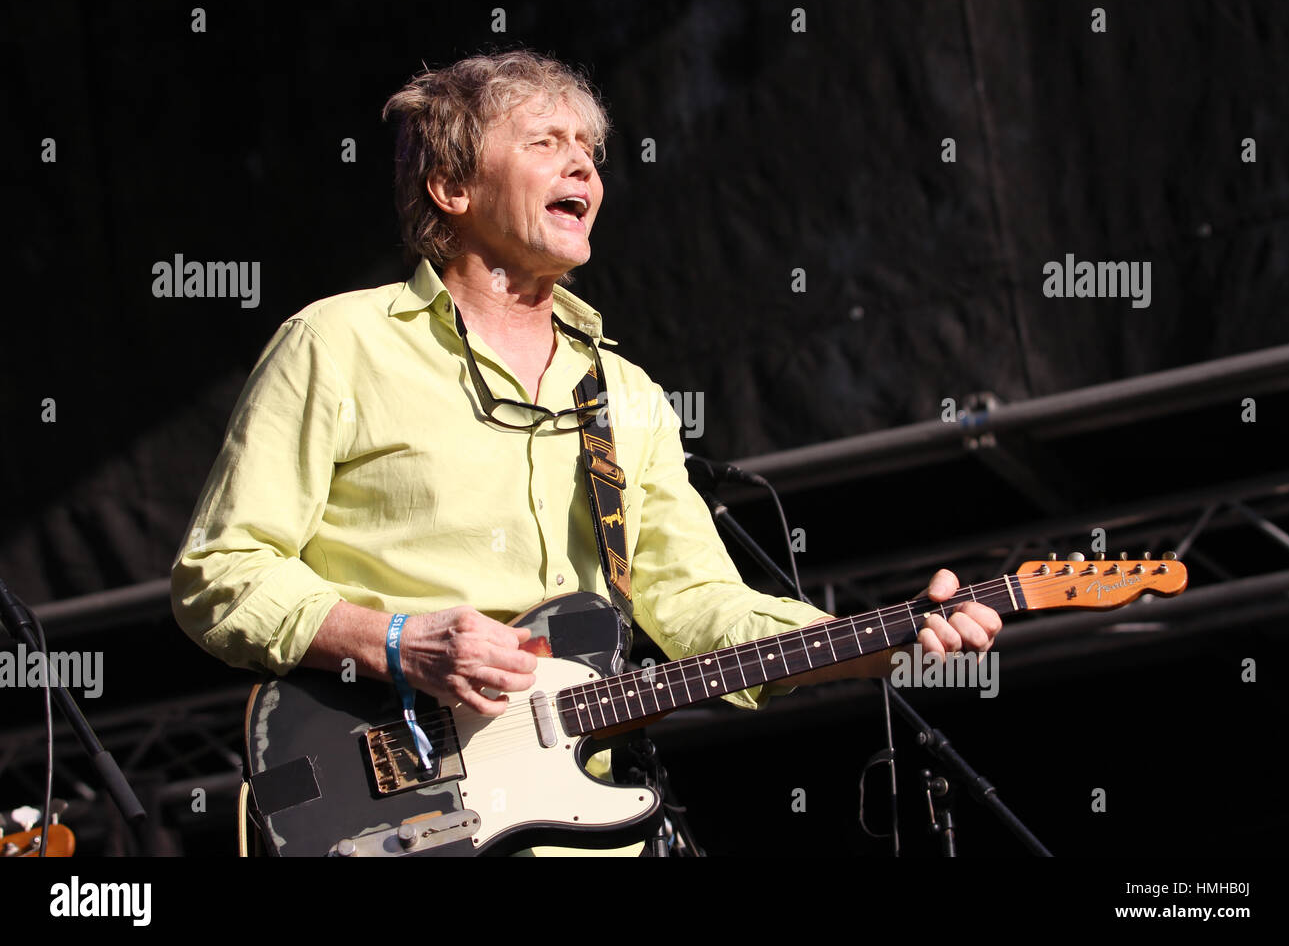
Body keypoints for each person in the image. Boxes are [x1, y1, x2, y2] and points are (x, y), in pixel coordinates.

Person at [171, 50, 1001, 855]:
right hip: (389, 809)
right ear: (452, 187)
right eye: (546, 143)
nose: (585, 170)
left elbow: (701, 607)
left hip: (586, 830)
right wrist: (399, 641)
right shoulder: (338, 344)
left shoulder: (624, 393)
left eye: (590, 152)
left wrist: (875, 639)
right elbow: (221, 573)